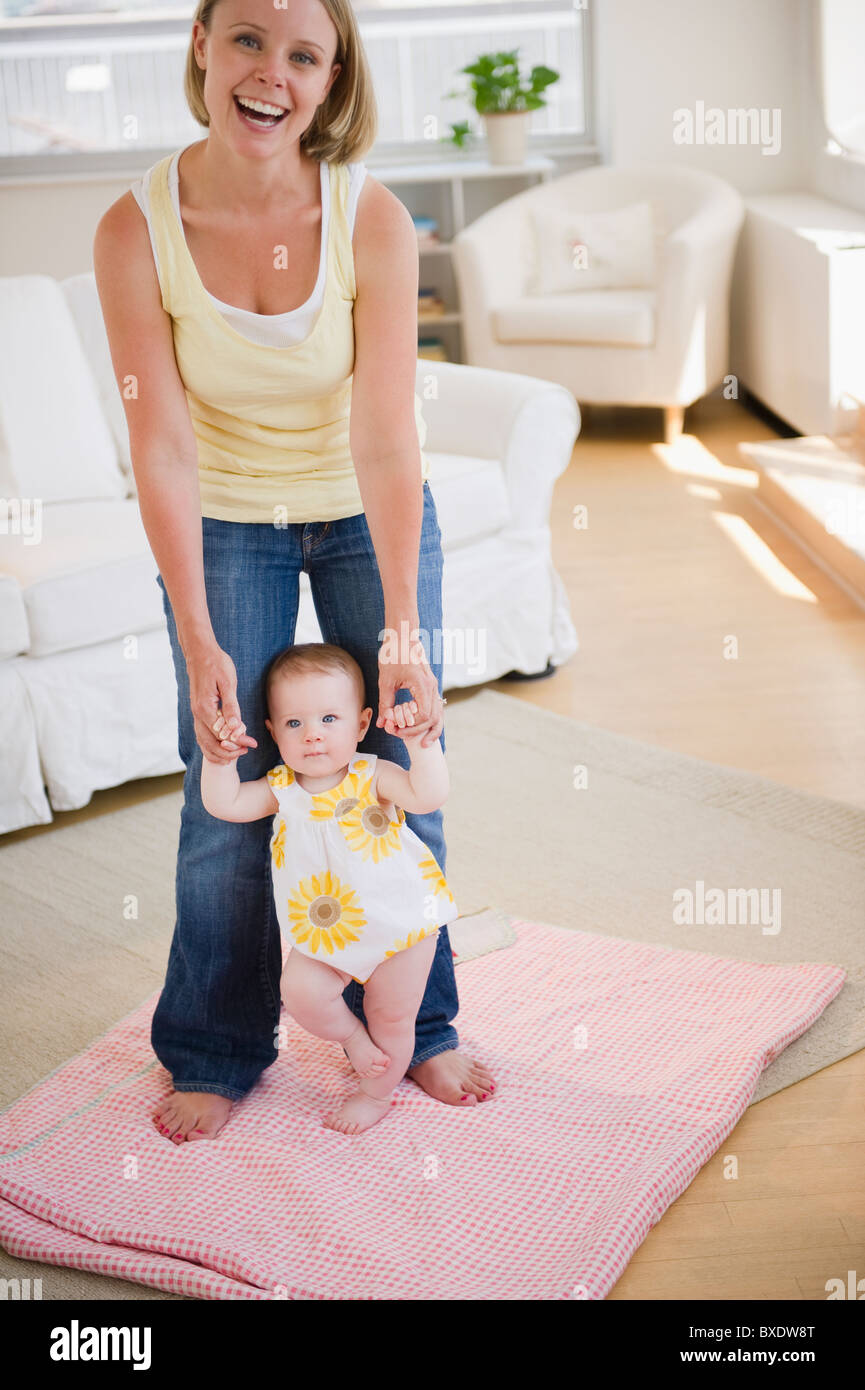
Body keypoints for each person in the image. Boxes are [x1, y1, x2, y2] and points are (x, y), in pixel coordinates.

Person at [92, 0, 495, 1145]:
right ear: (202, 51)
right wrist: (195, 630)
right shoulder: (136, 229)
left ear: (329, 80)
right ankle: (216, 1044)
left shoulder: (369, 216)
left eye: (303, 54)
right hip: (227, 515)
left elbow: (384, 437)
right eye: (250, 42)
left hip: (364, 509)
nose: (273, 73)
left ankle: (417, 1029)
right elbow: (160, 442)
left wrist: (406, 628)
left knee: (404, 757)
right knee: (224, 787)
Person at [202, 641, 460, 1135]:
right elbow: (226, 805)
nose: (313, 737)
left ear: (361, 725)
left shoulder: (371, 774)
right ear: (273, 732)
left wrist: (419, 744)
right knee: (299, 992)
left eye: (329, 720)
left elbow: (429, 796)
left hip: (401, 924)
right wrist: (221, 760)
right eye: (295, 724)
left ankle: (375, 1092)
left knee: (393, 1017)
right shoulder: (281, 788)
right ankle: (354, 1040)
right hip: (325, 936)